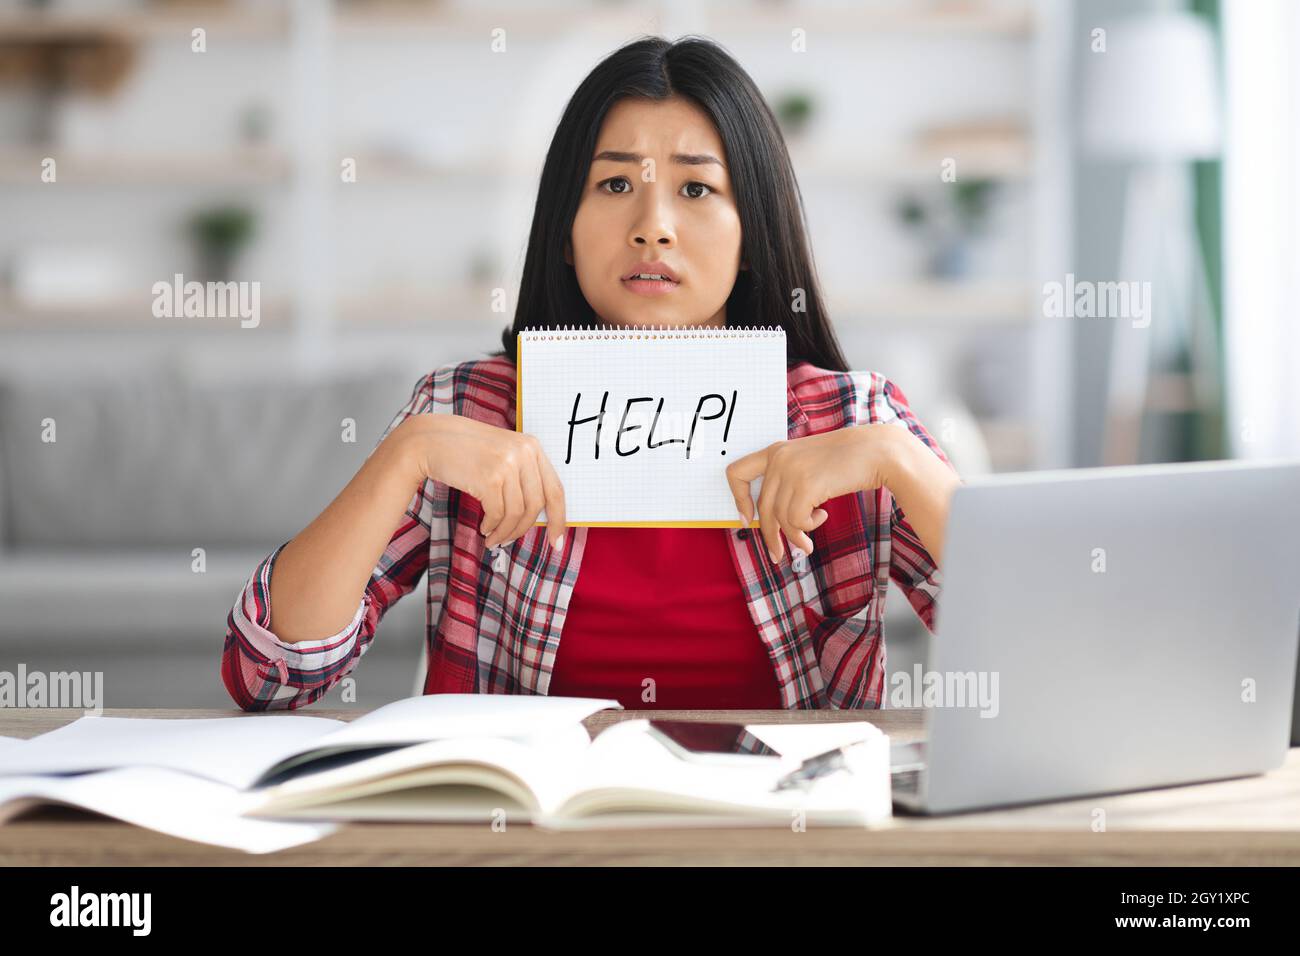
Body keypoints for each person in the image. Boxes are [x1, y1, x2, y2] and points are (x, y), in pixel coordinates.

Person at [221, 35, 963, 712]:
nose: (653, 225)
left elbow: (1049, 654)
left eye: (696, 189)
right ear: (565, 234)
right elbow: (266, 676)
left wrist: (901, 462)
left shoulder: (854, 422)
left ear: (752, 236)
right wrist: (404, 453)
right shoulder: (465, 411)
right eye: (613, 186)